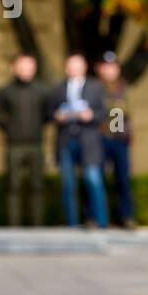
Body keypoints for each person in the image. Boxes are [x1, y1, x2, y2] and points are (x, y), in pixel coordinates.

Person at [45, 53, 108, 229]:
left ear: (84, 67)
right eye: (70, 65)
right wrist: (57, 116)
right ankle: (71, 222)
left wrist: (91, 116)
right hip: (66, 138)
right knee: (68, 183)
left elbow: (107, 113)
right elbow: (49, 112)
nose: (73, 69)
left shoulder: (96, 87)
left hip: (89, 140)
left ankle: (100, 221)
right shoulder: (58, 88)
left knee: (93, 179)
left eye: (77, 65)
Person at [0, 53, 48, 226]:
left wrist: (37, 126)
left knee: (37, 187)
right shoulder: (6, 91)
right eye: (22, 66)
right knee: (12, 187)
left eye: (29, 67)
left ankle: (37, 225)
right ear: (14, 68)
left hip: (36, 144)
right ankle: (13, 225)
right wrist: (10, 129)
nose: (26, 71)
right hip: (13, 145)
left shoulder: (42, 90)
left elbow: (47, 114)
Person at [96, 51, 136, 229]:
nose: (109, 70)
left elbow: (127, 115)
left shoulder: (124, 88)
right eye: (105, 66)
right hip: (100, 139)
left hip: (119, 139)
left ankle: (126, 216)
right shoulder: (94, 88)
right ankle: (97, 217)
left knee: (123, 180)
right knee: (98, 180)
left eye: (112, 66)